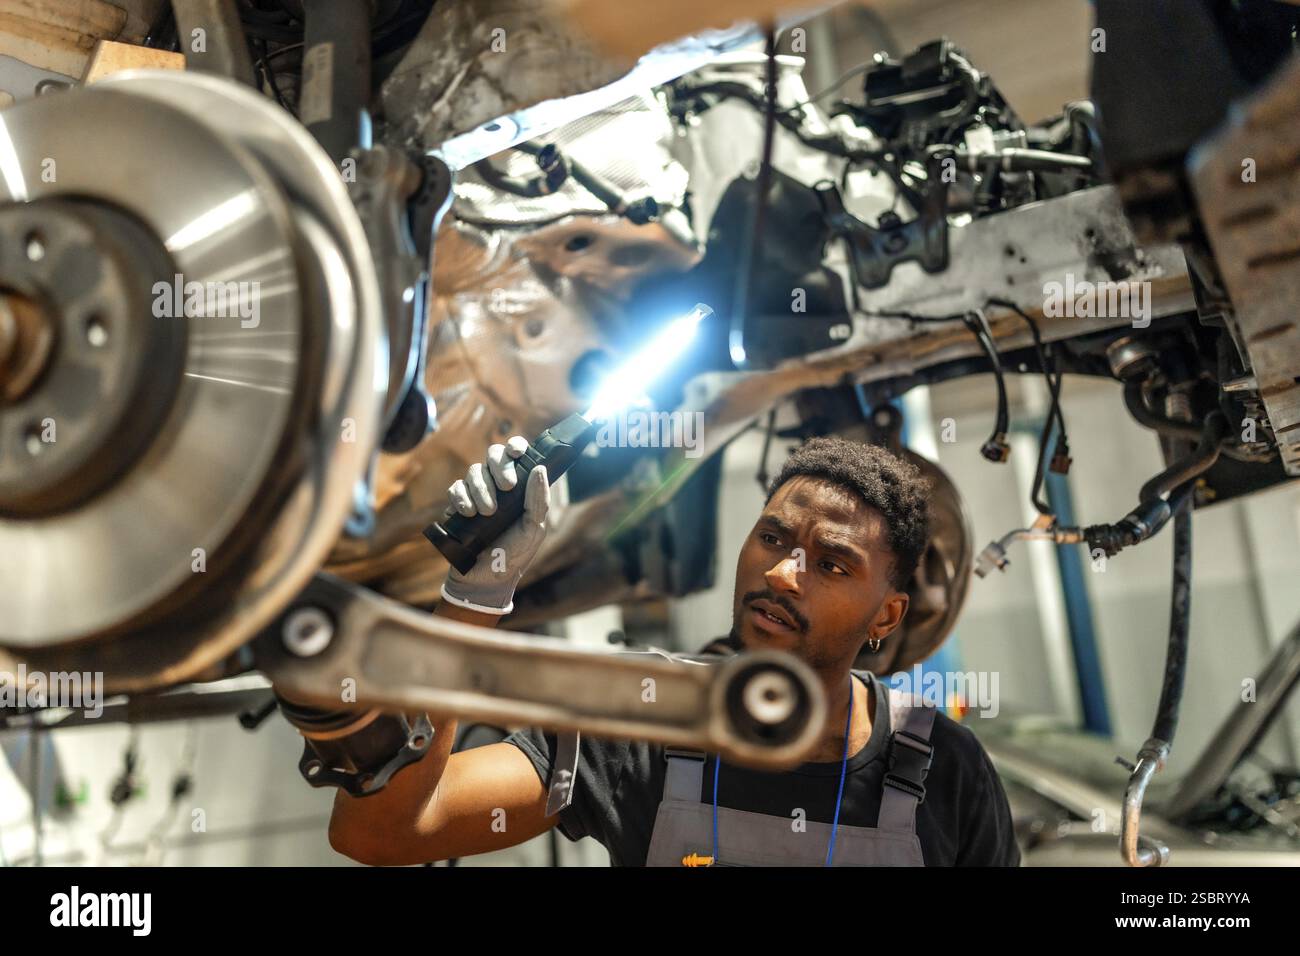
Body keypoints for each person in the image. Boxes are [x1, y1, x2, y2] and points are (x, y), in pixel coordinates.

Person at [323, 435, 1020, 866]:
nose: (781, 573)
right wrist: (474, 598)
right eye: (773, 539)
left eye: (831, 564)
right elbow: (384, 832)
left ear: (888, 615)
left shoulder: (944, 769)